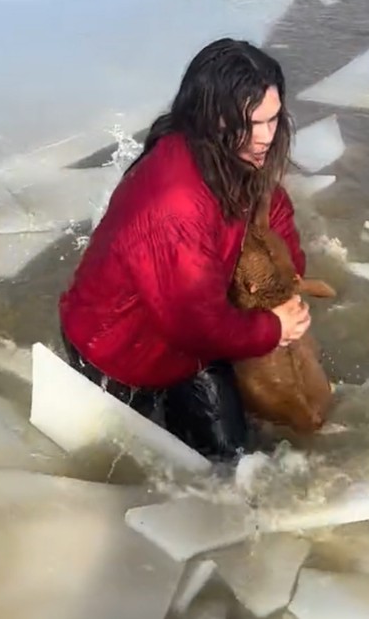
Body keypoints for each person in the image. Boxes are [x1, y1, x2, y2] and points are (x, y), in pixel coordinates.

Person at [58, 38, 313, 462]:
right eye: (255, 123)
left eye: (274, 118)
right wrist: (272, 328)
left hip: (188, 349)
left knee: (230, 458)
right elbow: (194, 325)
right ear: (213, 118)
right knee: (124, 466)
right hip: (117, 352)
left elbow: (274, 212)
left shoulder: (239, 151)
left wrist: (285, 282)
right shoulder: (176, 202)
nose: (268, 136)